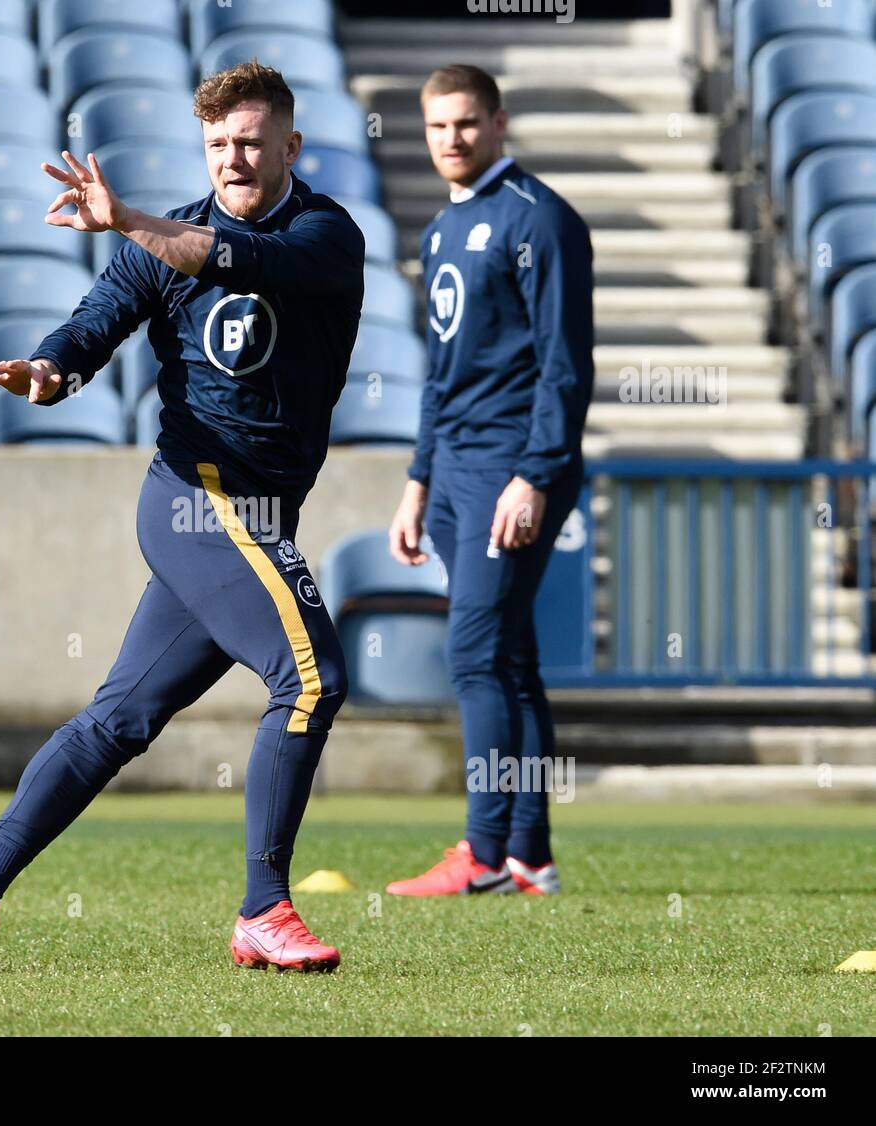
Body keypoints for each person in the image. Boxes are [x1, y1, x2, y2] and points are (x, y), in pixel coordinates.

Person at [0, 61, 365, 973]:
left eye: (249, 142)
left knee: (119, 721)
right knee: (313, 676)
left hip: (260, 515)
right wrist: (48, 370)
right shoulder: (159, 240)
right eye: (216, 145)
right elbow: (92, 325)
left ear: (290, 146)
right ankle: (264, 908)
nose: (233, 159)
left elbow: (250, 261)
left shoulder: (327, 233)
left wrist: (128, 219)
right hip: (195, 499)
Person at [386, 64, 593, 897]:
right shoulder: (443, 228)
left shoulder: (542, 221)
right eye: (438, 127)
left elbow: (565, 367)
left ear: (499, 124)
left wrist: (535, 475)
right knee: (509, 660)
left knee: (472, 652)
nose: (452, 140)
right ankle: (527, 856)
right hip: (455, 472)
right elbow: (442, 375)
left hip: (513, 470)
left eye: (467, 124)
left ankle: (478, 852)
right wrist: (417, 480)